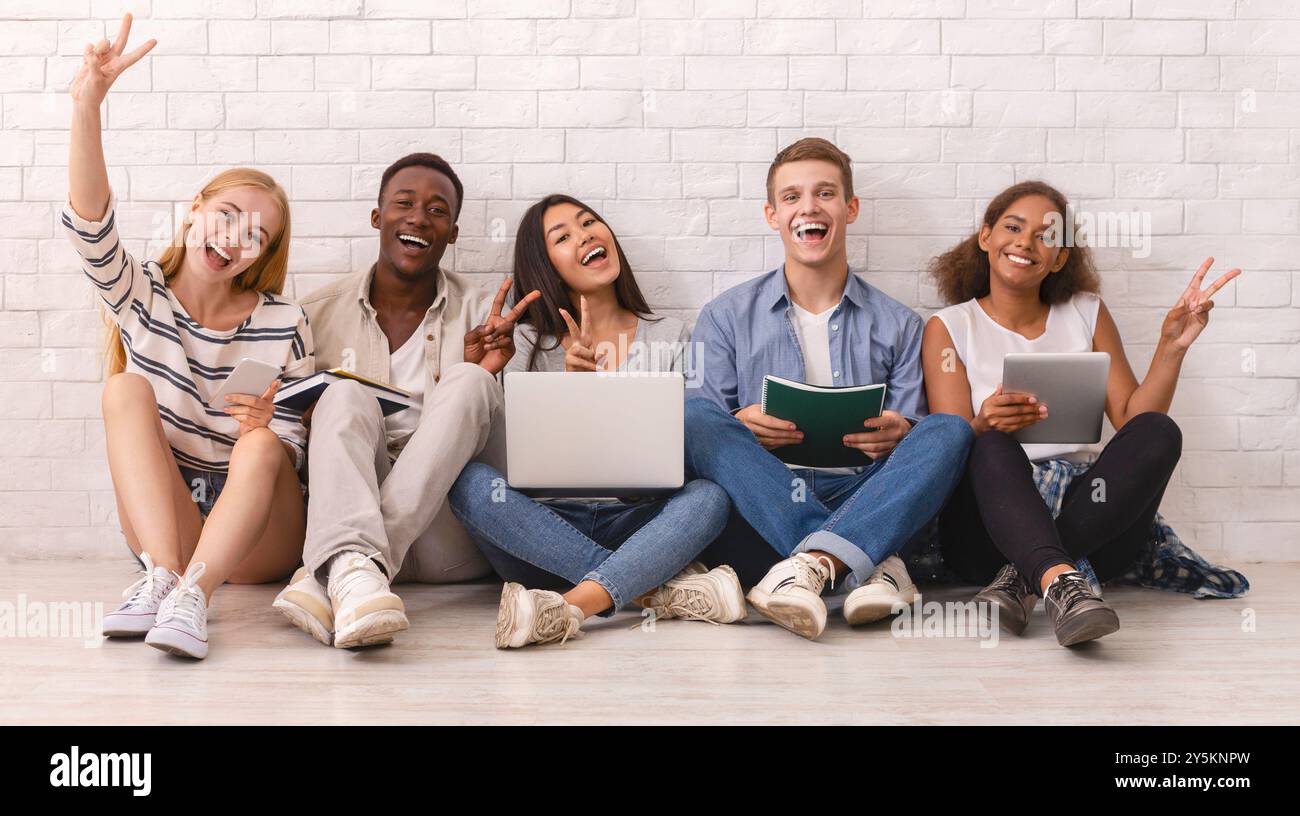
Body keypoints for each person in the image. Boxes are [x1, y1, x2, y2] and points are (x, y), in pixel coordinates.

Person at [71, 16, 312, 660]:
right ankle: (162, 582)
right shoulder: (142, 292)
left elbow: (288, 446)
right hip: (166, 525)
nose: (233, 238)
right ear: (197, 208)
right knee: (124, 390)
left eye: (253, 236)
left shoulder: (279, 321)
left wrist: (267, 423)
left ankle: (193, 600)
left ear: (260, 258)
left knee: (262, 445)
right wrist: (87, 104)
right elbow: (92, 225)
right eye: (227, 216)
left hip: (256, 531)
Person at [922, 180, 1241, 646]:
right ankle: (1055, 576)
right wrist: (985, 422)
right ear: (985, 237)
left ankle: (1032, 576)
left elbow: (1133, 422)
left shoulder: (1085, 312)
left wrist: (1171, 348)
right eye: (1013, 227)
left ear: (1061, 258)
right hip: (986, 533)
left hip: (1090, 521)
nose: (1026, 243)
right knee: (989, 444)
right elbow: (946, 447)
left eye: (1047, 236)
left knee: (1158, 430)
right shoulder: (950, 327)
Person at [685, 138, 974, 641]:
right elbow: (700, 436)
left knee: (948, 429)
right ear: (772, 215)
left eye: (825, 193)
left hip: (865, 489)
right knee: (692, 418)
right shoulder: (725, 316)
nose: (809, 207)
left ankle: (810, 568)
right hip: (764, 497)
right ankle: (870, 564)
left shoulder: (902, 324)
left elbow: (914, 455)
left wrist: (903, 429)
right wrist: (739, 427)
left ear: (851, 208)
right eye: (792, 196)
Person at [271, 151, 541, 649]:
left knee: (469, 381)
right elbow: (290, 437)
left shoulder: (485, 312)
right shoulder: (315, 312)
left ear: (453, 233)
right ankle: (355, 575)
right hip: (352, 508)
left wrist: (491, 371)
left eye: (438, 210)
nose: (419, 217)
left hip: (451, 538)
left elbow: (525, 449)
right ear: (378, 217)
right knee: (345, 392)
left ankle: (335, 573)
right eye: (404, 203)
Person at [448, 195, 742, 649]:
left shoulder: (671, 335)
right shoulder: (522, 343)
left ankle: (570, 605)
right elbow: (499, 453)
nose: (584, 235)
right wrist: (566, 388)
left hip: (641, 522)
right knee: (468, 482)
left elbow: (693, 447)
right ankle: (652, 589)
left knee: (711, 496)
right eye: (562, 236)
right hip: (544, 530)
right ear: (545, 264)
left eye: (588, 223)